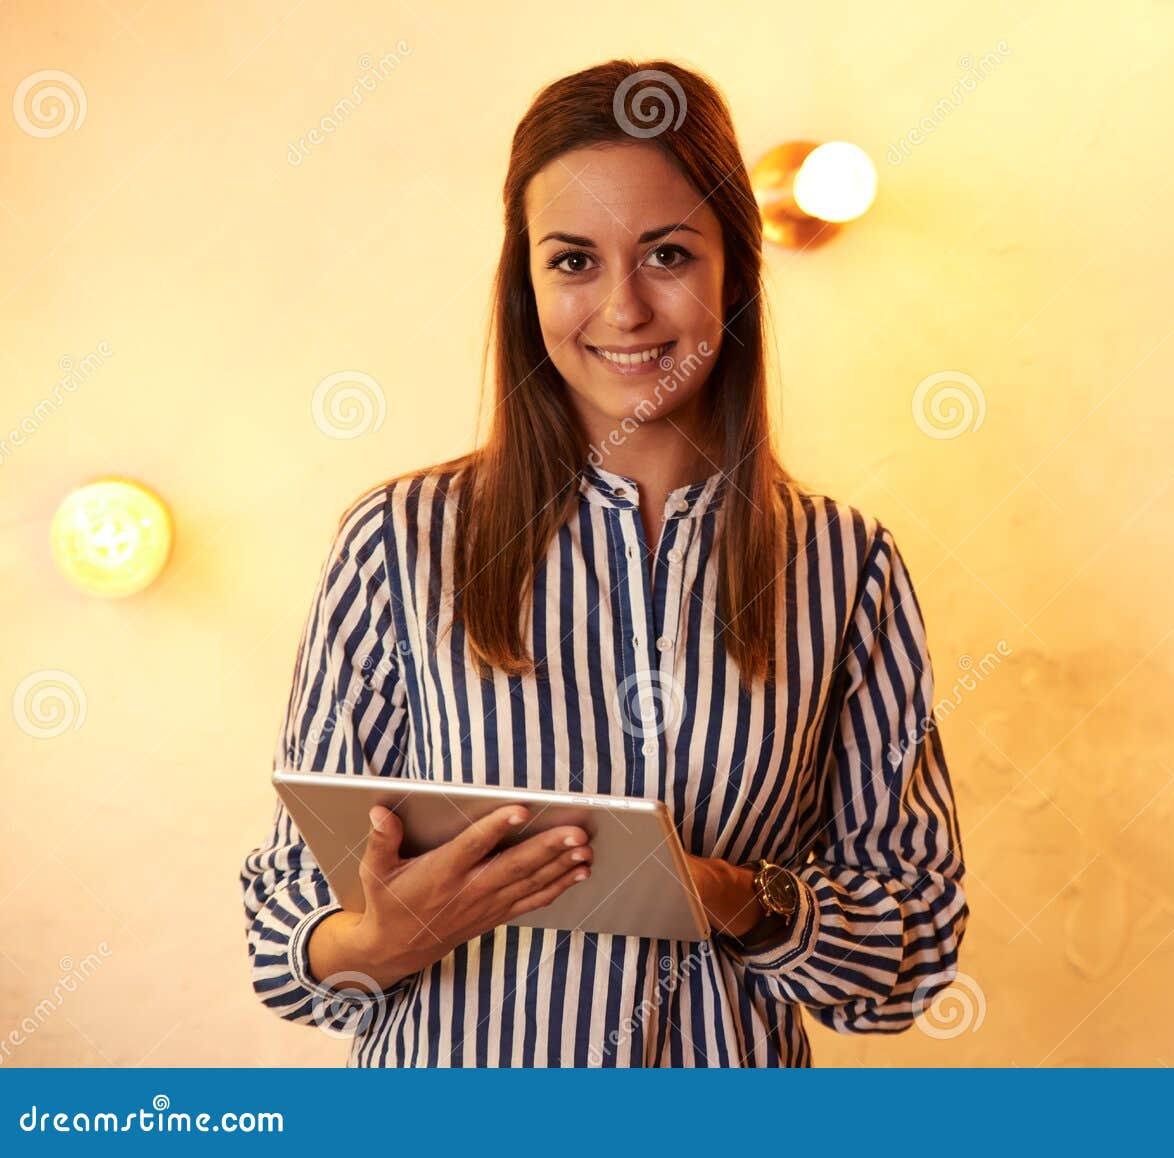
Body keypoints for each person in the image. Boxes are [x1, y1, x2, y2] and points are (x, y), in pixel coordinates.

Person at [239, 57, 967, 1067]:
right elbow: (282, 930)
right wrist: (370, 941)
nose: (622, 309)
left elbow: (913, 949)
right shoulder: (399, 542)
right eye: (573, 261)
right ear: (524, 281)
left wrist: (730, 896)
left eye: (666, 254)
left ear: (735, 271)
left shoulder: (849, 569)